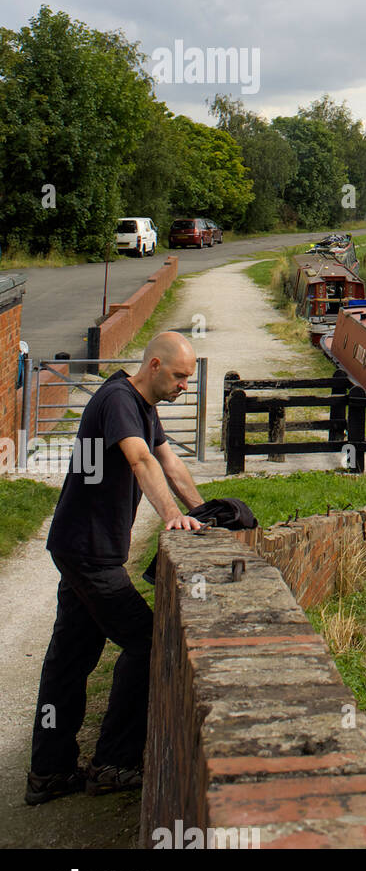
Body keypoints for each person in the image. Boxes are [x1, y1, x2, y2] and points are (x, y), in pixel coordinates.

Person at [27, 333, 205, 806]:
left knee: (70, 659)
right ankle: (113, 763)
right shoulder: (119, 400)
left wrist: (203, 511)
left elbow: (169, 460)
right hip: (87, 551)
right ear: (154, 364)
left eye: (188, 377)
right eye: (180, 376)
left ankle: (49, 771)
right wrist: (172, 516)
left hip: (85, 548)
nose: (185, 385)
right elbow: (141, 458)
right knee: (148, 643)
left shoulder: (143, 404)